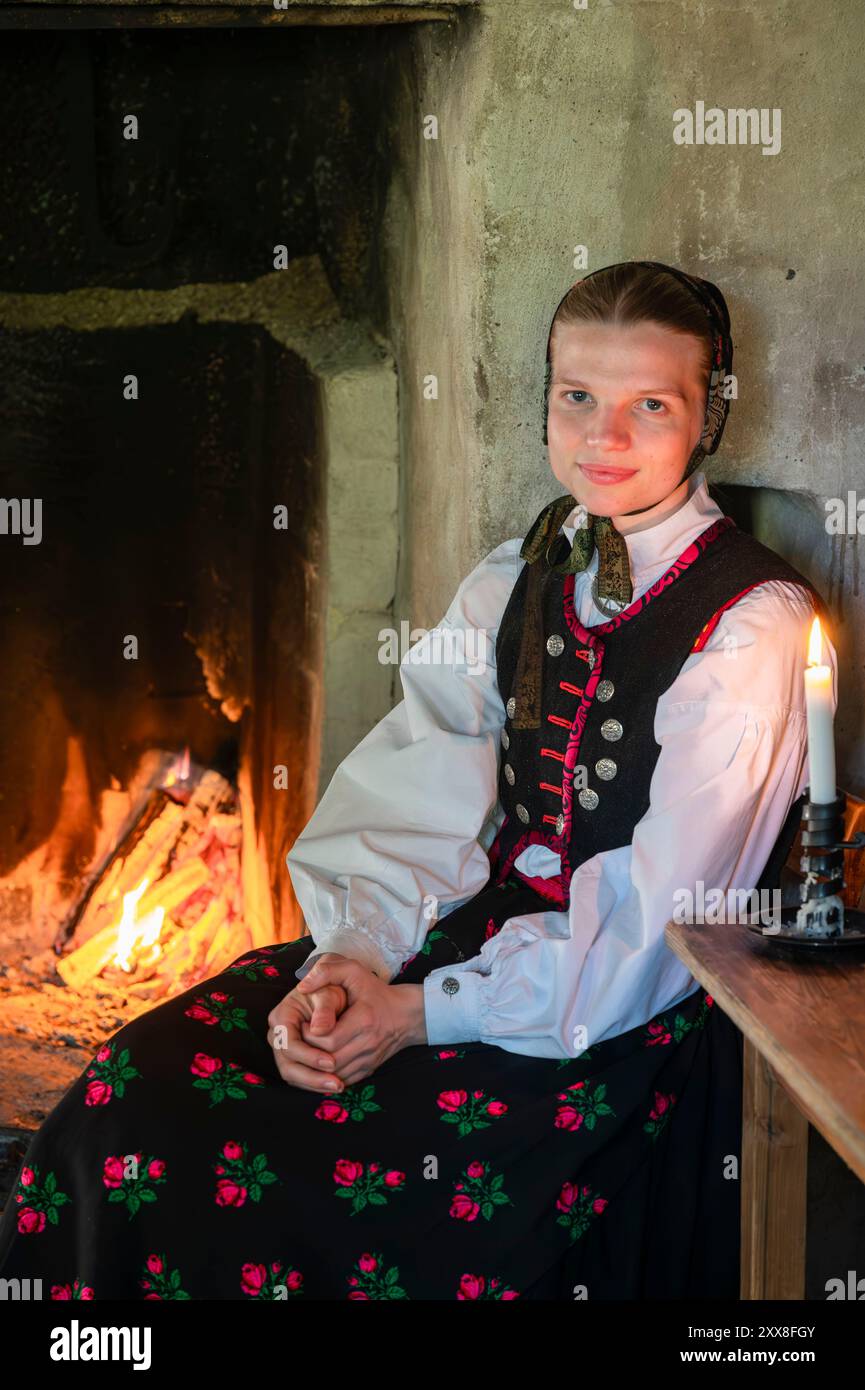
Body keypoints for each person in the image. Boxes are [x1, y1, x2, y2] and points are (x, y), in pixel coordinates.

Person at [0, 260, 838, 1301]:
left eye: (648, 406)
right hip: (459, 942)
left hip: (610, 1014)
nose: (602, 438)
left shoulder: (748, 625)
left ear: (706, 418)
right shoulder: (518, 576)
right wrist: (352, 958)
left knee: (308, 1204)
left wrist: (417, 1014)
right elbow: (423, 775)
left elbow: (657, 931)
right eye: (575, 397)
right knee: (131, 1099)